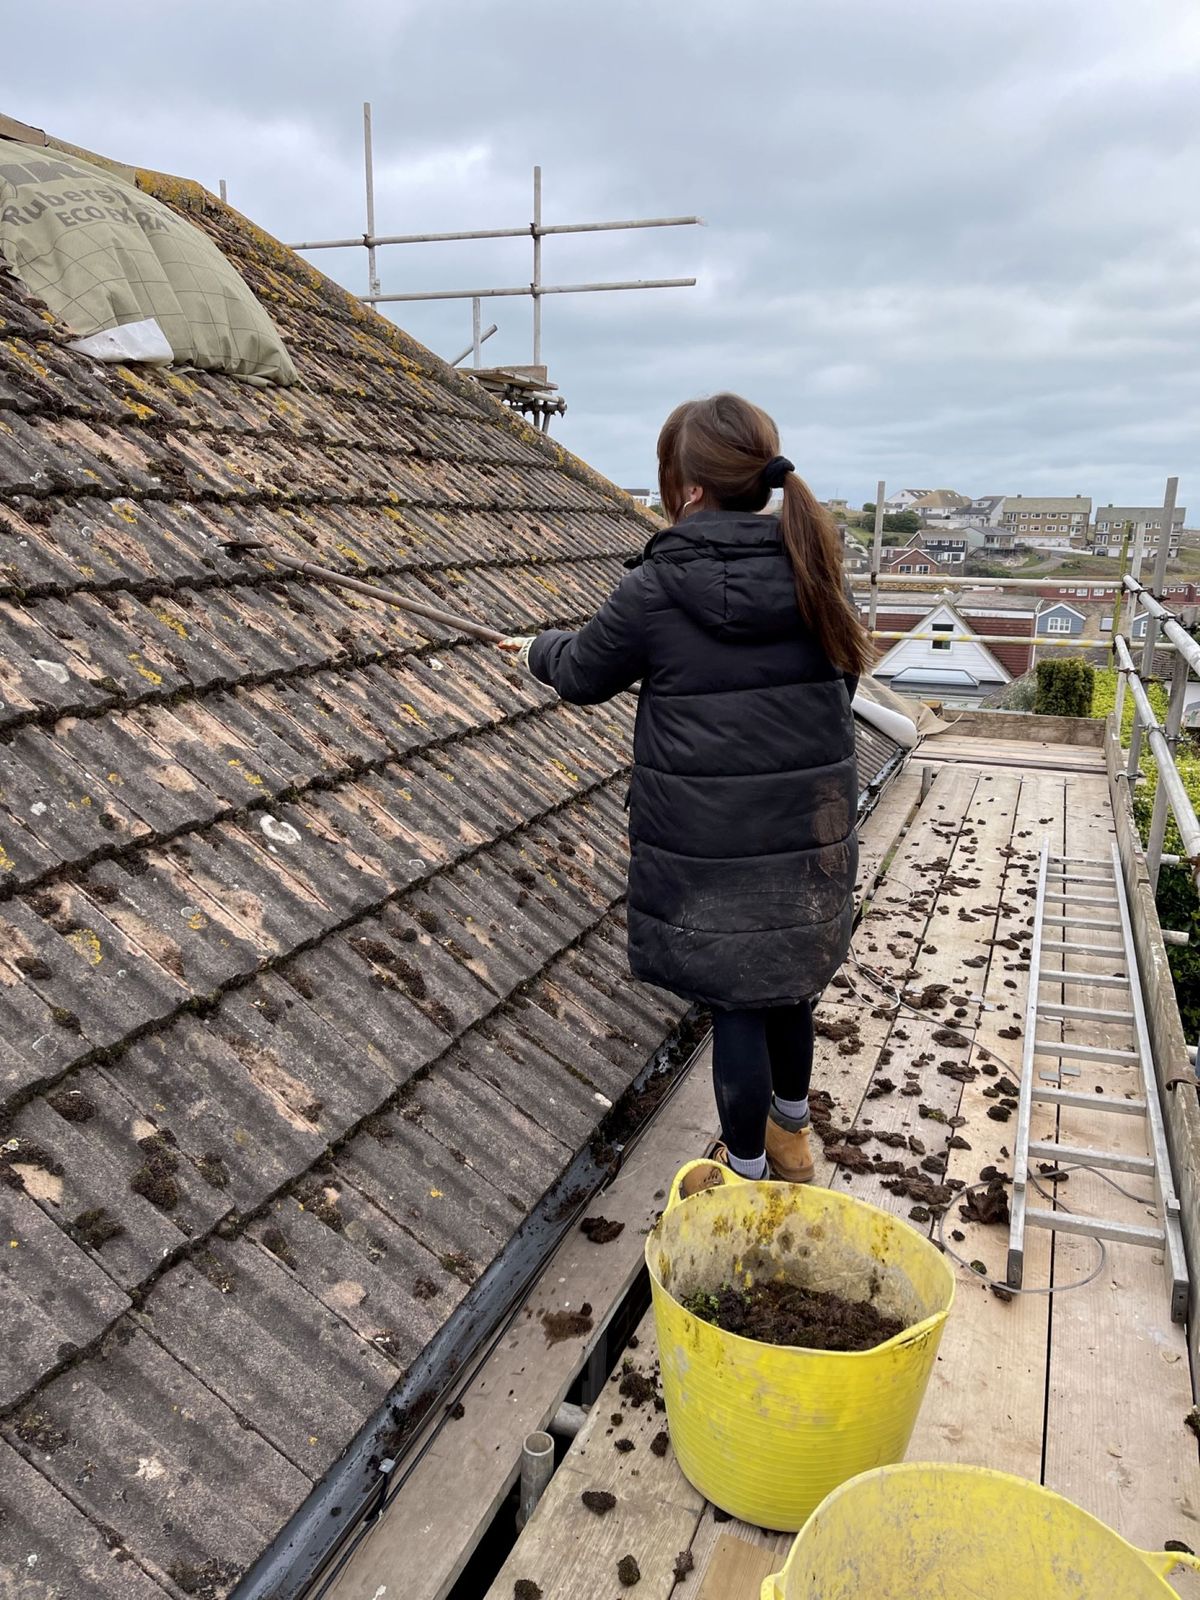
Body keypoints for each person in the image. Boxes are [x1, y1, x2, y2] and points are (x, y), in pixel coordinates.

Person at [499, 393, 871, 1185]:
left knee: (735, 1001)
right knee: (790, 984)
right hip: (807, 833)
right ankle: (791, 1138)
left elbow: (582, 672)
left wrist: (536, 649)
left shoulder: (660, 586)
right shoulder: (812, 567)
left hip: (710, 845)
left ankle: (744, 1177)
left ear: (691, 487)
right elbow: (842, 686)